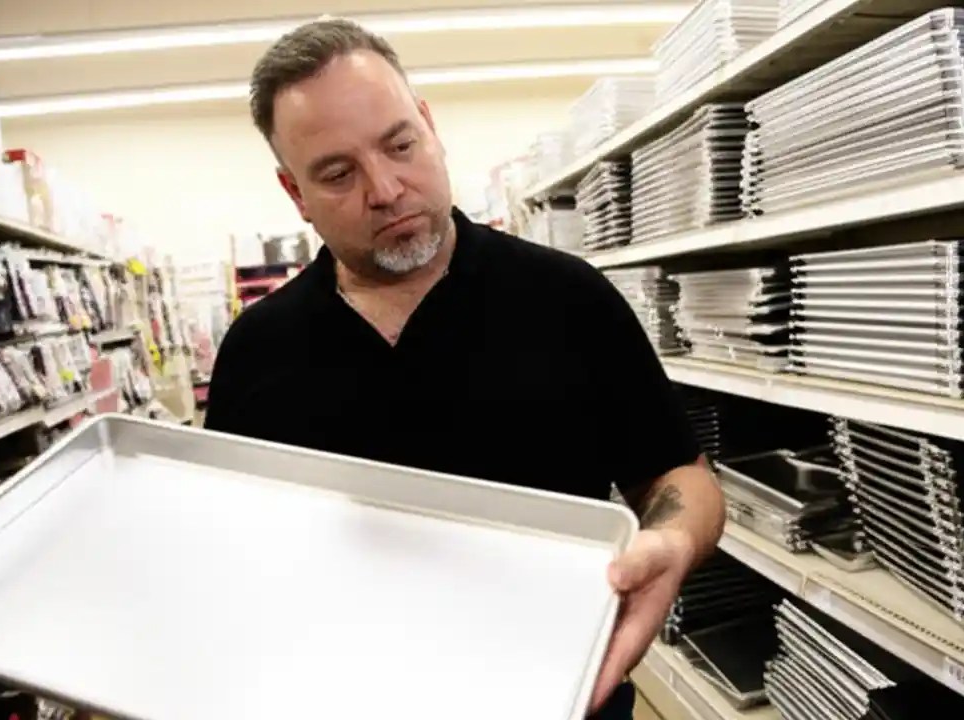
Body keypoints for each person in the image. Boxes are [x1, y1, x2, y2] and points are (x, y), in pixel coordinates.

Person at [205, 18, 725, 719]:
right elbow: (236, 549)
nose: (386, 188)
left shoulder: (568, 297)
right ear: (294, 193)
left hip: (563, 694)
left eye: (399, 144)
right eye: (337, 172)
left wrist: (671, 539)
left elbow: (677, 473)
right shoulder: (255, 351)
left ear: (428, 123)